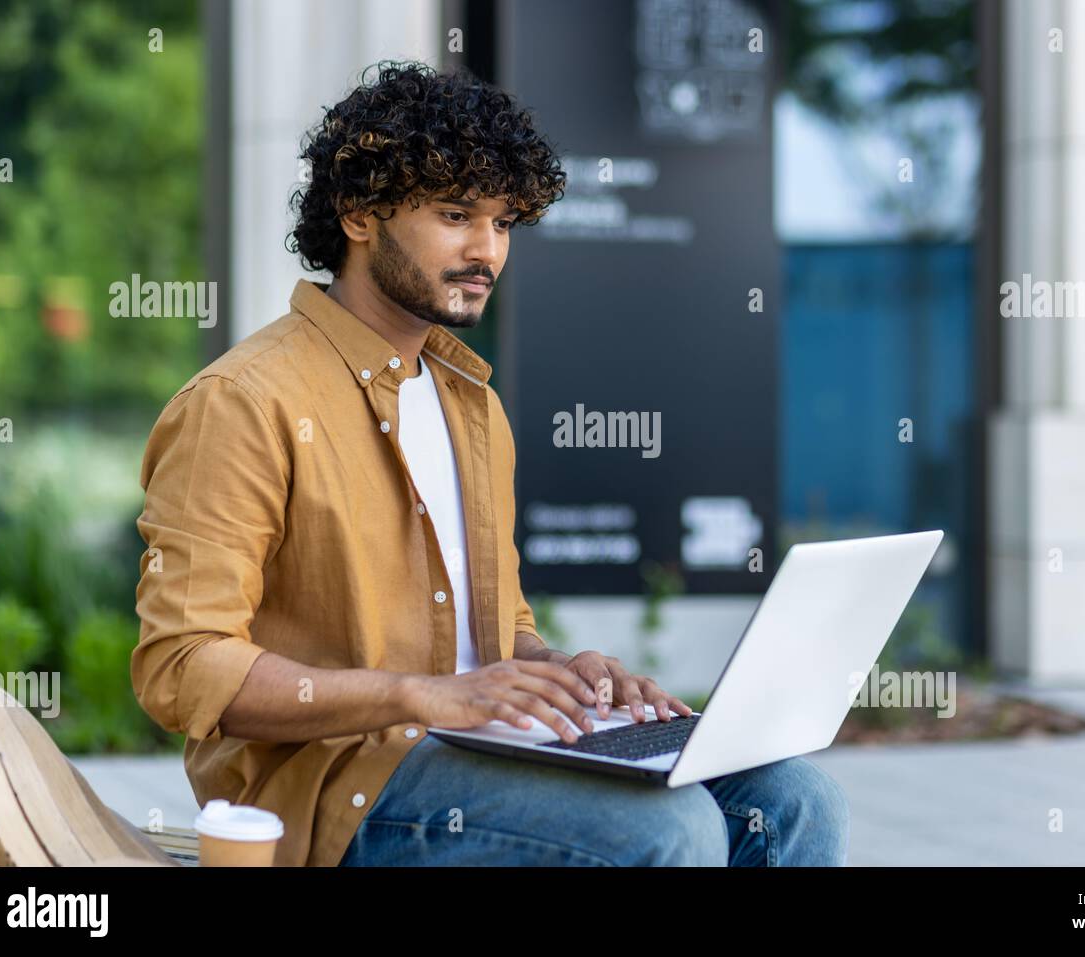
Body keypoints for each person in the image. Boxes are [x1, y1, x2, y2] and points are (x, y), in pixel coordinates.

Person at [132, 60, 849, 867]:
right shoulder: (242, 400)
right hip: (341, 789)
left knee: (792, 798)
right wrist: (418, 693)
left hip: (487, 749)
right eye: (455, 214)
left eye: (504, 222)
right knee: (670, 832)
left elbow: (497, 633)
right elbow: (181, 665)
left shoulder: (468, 401)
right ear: (360, 215)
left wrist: (559, 672)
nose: (487, 250)